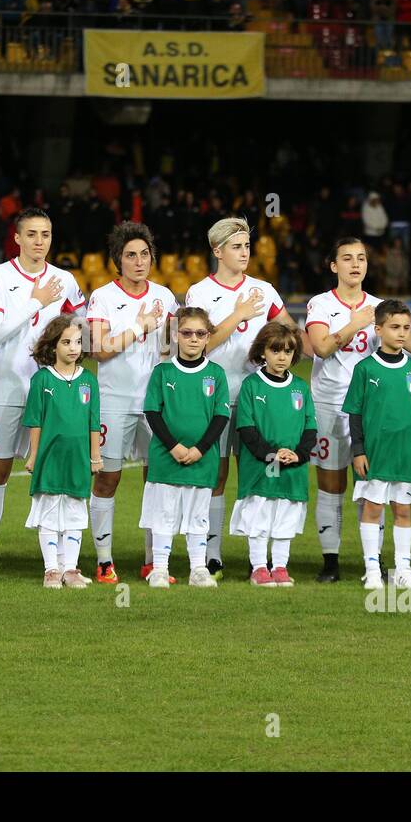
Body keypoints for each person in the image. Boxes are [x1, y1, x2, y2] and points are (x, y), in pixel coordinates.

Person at [306, 235, 411, 582]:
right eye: (347, 258)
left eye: (361, 258)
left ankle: (374, 561)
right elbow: (320, 347)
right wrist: (354, 323)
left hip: (372, 411)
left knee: (375, 484)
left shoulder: (380, 306)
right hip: (329, 403)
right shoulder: (321, 305)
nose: (355, 264)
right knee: (331, 484)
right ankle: (331, 560)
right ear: (334, 266)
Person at [0, 208, 85, 584]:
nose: (40, 241)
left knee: (54, 474)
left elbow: (80, 328)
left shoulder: (65, 280)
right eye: (33, 234)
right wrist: (35, 301)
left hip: (54, 392)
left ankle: (58, 564)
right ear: (17, 238)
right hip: (6, 388)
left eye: (46, 234)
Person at [184, 217, 297, 580]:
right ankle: (212, 555)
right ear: (217, 251)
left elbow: (290, 333)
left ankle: (261, 559)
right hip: (213, 396)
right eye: (236, 246)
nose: (245, 252)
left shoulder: (266, 290)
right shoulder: (199, 293)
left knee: (260, 473)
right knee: (214, 476)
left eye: (247, 245)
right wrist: (240, 314)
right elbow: (202, 343)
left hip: (259, 398)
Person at [86, 222, 176, 584]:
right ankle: (104, 561)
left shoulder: (166, 297)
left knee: (157, 480)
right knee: (108, 479)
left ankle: (154, 562)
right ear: (117, 261)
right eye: (130, 255)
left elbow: (173, 347)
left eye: (145, 254)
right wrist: (140, 327)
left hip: (156, 403)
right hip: (114, 401)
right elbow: (99, 349)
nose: (139, 262)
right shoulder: (102, 297)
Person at [342, 299, 411, 591]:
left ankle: (403, 569)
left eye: (406, 327)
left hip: (406, 453)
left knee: (403, 511)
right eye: (394, 327)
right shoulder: (366, 369)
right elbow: (354, 412)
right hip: (375, 453)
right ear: (378, 329)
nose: (402, 333)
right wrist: (358, 450)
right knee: (372, 509)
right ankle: (371, 569)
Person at [138, 307, 229, 588]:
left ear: (207, 337)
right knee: (164, 515)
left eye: (200, 334)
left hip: (202, 459)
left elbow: (221, 416)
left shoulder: (216, 374)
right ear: (177, 335)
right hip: (166, 459)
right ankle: (161, 569)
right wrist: (174, 447)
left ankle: (198, 568)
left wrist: (200, 448)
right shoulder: (163, 372)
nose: (193, 339)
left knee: (198, 515)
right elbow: (152, 413)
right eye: (187, 333)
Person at [230, 323, 316, 587]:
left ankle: (280, 566)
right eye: (275, 350)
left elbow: (310, 427)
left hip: (293, 465)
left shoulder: (300, 388)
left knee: (286, 514)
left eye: (288, 351)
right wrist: (270, 454)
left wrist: (298, 455)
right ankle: (258, 567)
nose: (282, 357)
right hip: (262, 463)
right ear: (262, 352)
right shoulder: (252, 385)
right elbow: (246, 427)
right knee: (260, 512)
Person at [21, 316, 102, 588]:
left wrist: (95, 456)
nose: (73, 347)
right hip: (50, 457)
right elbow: (35, 420)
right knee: (49, 512)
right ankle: (51, 570)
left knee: (75, 512)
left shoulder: (89, 380)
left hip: (78, 458)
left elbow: (94, 421)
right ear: (53, 346)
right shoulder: (42, 379)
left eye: (78, 342)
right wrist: (33, 455)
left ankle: (70, 569)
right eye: (66, 342)